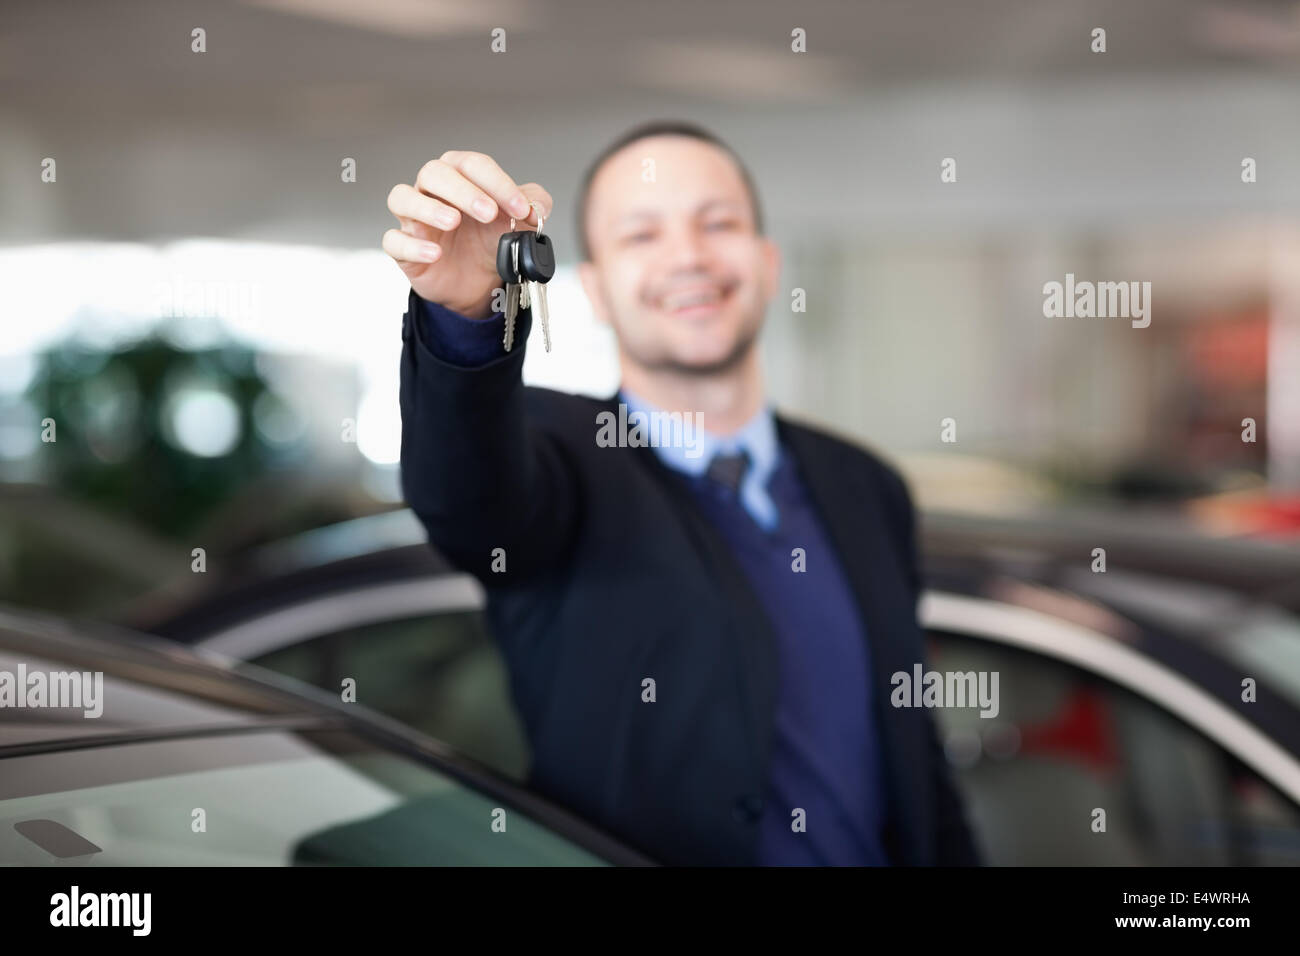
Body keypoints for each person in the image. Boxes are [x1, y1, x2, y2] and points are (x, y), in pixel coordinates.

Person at [384, 120, 981, 866]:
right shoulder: (562, 460)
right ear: (596, 290)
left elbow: (914, 758)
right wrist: (467, 316)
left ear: (767, 263)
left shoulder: (865, 485)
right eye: (642, 235)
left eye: (718, 223)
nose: (688, 256)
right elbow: (467, 495)